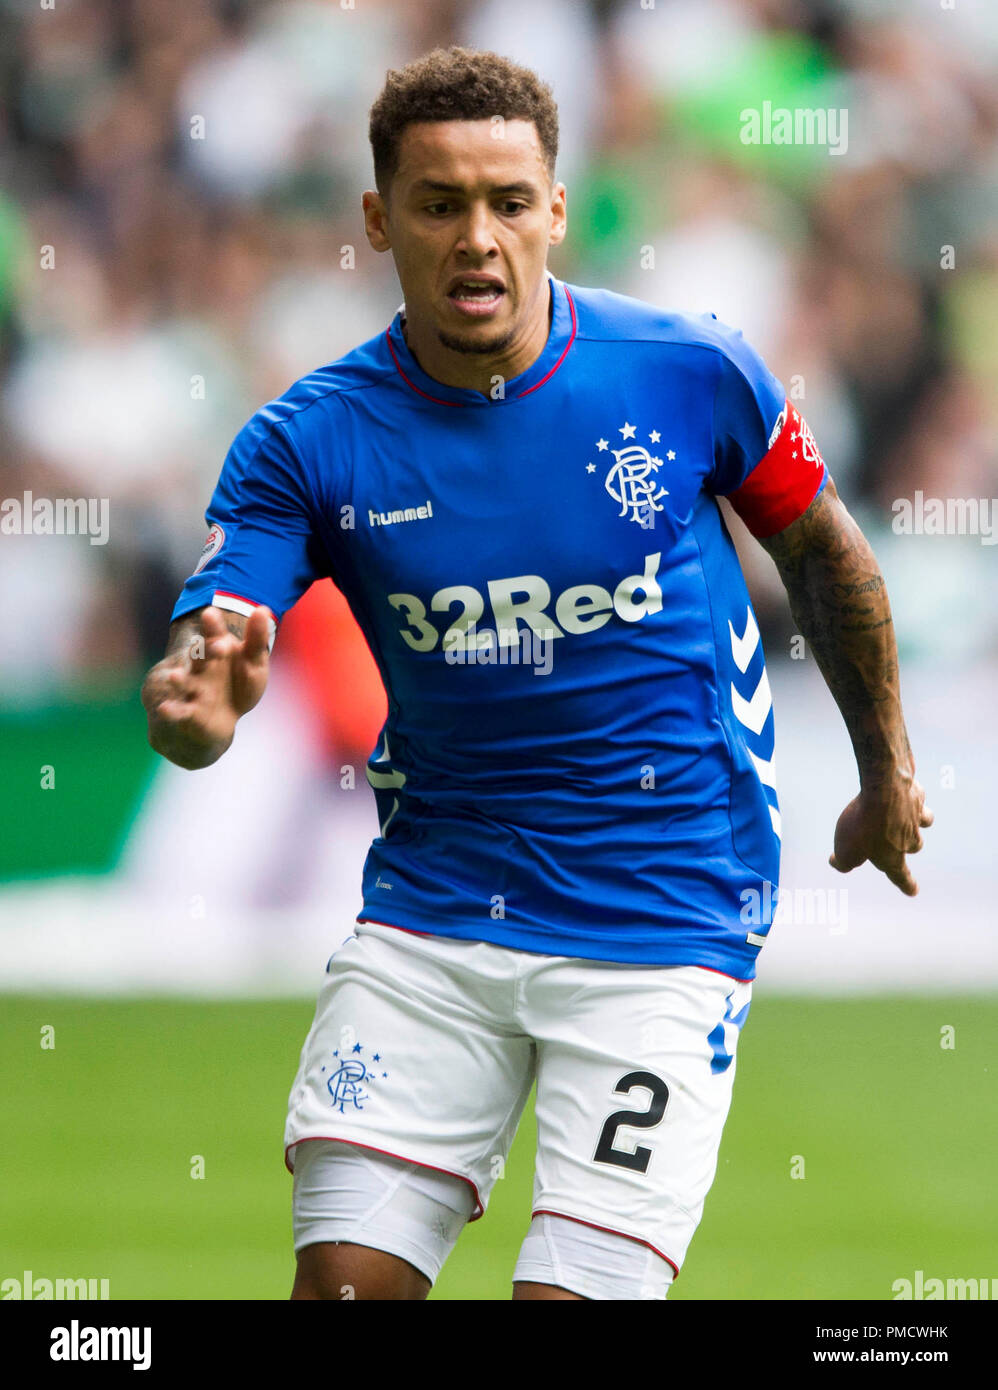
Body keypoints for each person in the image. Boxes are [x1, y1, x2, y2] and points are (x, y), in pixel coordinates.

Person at [141, 47, 932, 1301]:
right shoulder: (308, 438)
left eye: (509, 201)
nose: (477, 238)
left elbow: (829, 558)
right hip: (433, 911)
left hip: (662, 910)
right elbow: (214, 641)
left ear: (557, 207)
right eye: (438, 203)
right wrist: (197, 700)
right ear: (375, 217)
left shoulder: (687, 373)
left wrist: (883, 770)